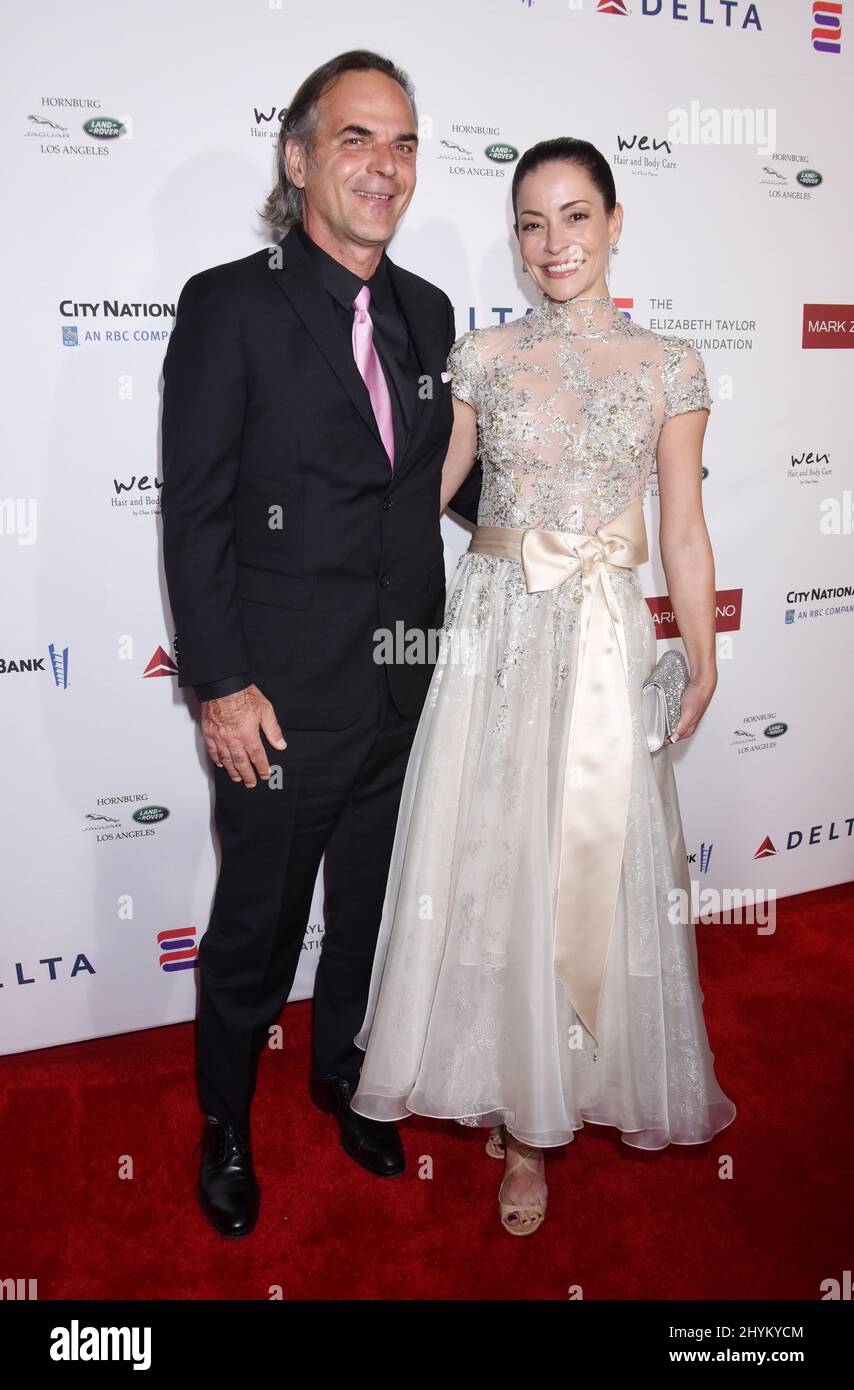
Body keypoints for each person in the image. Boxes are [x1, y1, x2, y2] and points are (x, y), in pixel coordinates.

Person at [351, 137, 737, 1236]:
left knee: (582, 864)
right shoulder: (482, 356)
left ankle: (540, 1120)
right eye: (530, 221)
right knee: (489, 857)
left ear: (615, 222)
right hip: (490, 629)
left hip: (604, 639)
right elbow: (421, 495)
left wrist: (702, 651)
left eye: (574, 216)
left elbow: (682, 530)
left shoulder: (669, 364)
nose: (552, 243)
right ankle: (501, 1081)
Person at [160, 50, 481, 1239]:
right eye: (355, 138)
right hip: (279, 701)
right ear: (297, 157)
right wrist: (219, 682)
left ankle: (343, 1076)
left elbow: (440, 482)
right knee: (254, 923)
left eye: (400, 142)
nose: (382, 165)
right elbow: (192, 510)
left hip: (404, 682)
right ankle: (226, 1121)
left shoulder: (426, 313)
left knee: (369, 913)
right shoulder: (228, 304)